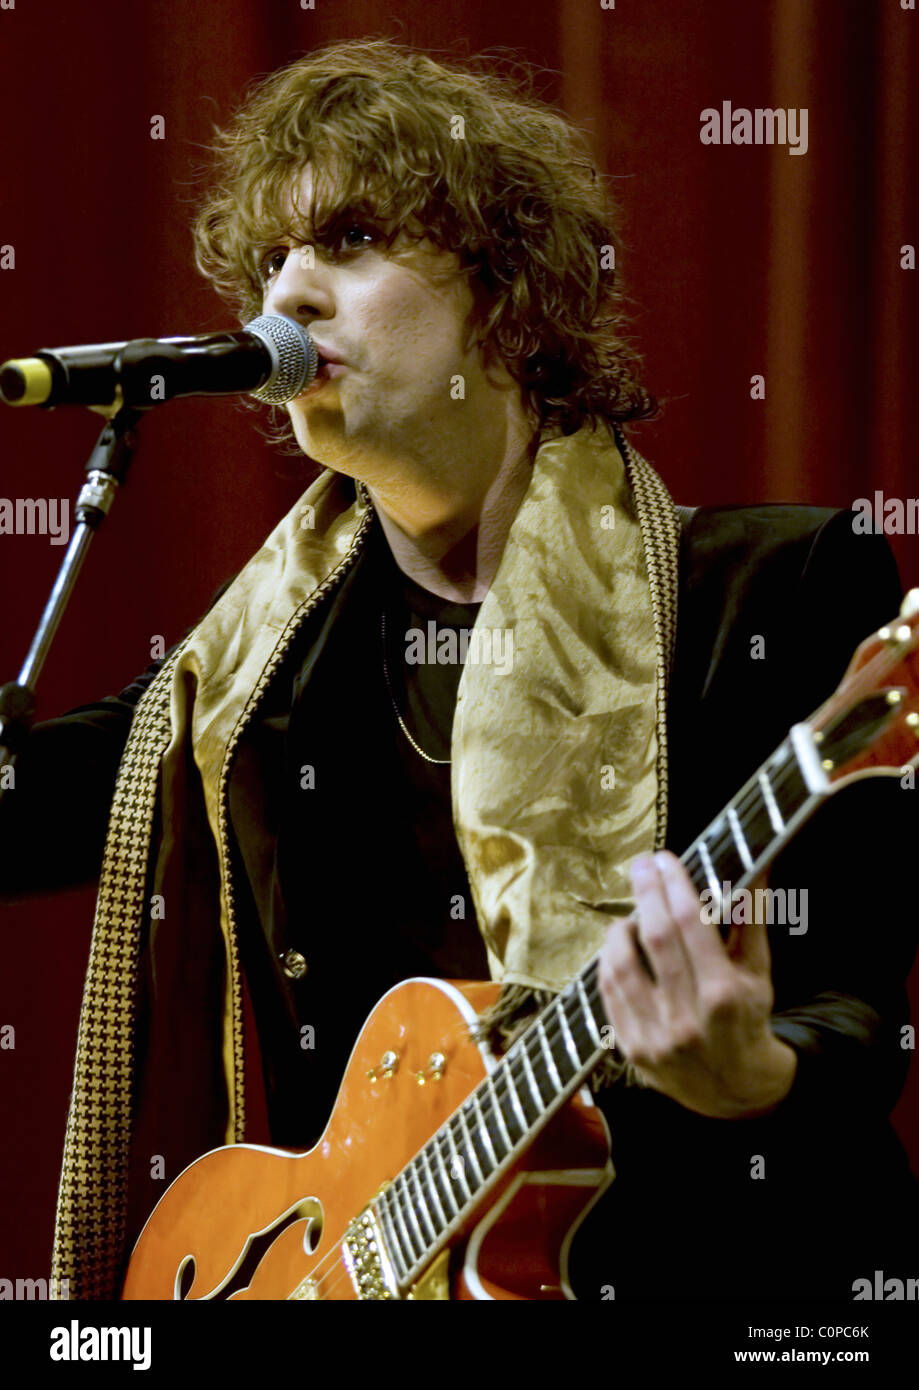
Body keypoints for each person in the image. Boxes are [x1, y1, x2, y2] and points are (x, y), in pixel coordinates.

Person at [2, 38, 917, 1302]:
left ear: (505, 292)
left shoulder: (769, 591)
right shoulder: (247, 677)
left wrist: (749, 1077)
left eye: (350, 241)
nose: (289, 299)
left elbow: (855, 1013)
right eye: (272, 260)